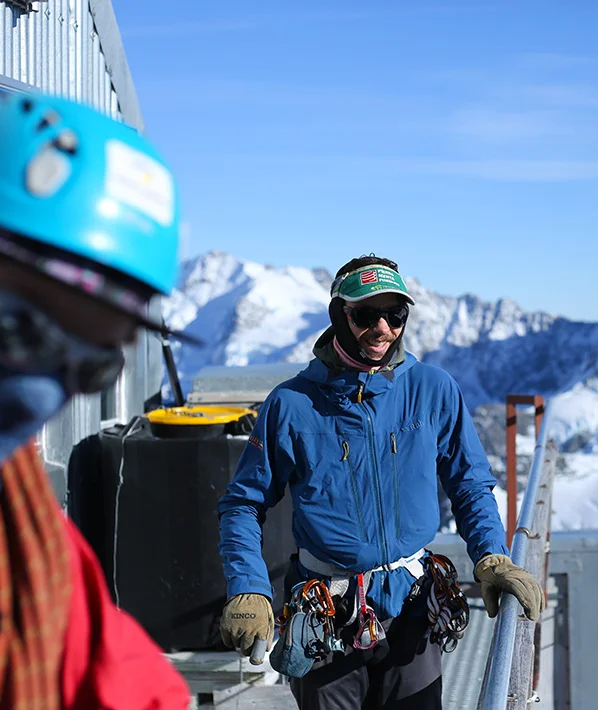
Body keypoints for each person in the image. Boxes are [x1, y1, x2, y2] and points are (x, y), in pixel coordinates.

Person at [218, 255, 545, 709]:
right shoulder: (291, 405)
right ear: (339, 315)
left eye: (395, 315)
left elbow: (469, 483)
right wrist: (248, 587)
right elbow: (243, 504)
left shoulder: (432, 389)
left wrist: (491, 555)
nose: (383, 328)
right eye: (366, 314)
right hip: (325, 614)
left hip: (412, 607)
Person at [0, 92, 192, 708]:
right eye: (22, 330)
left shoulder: (22, 538)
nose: (37, 394)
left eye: (92, 364)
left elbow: (110, 668)